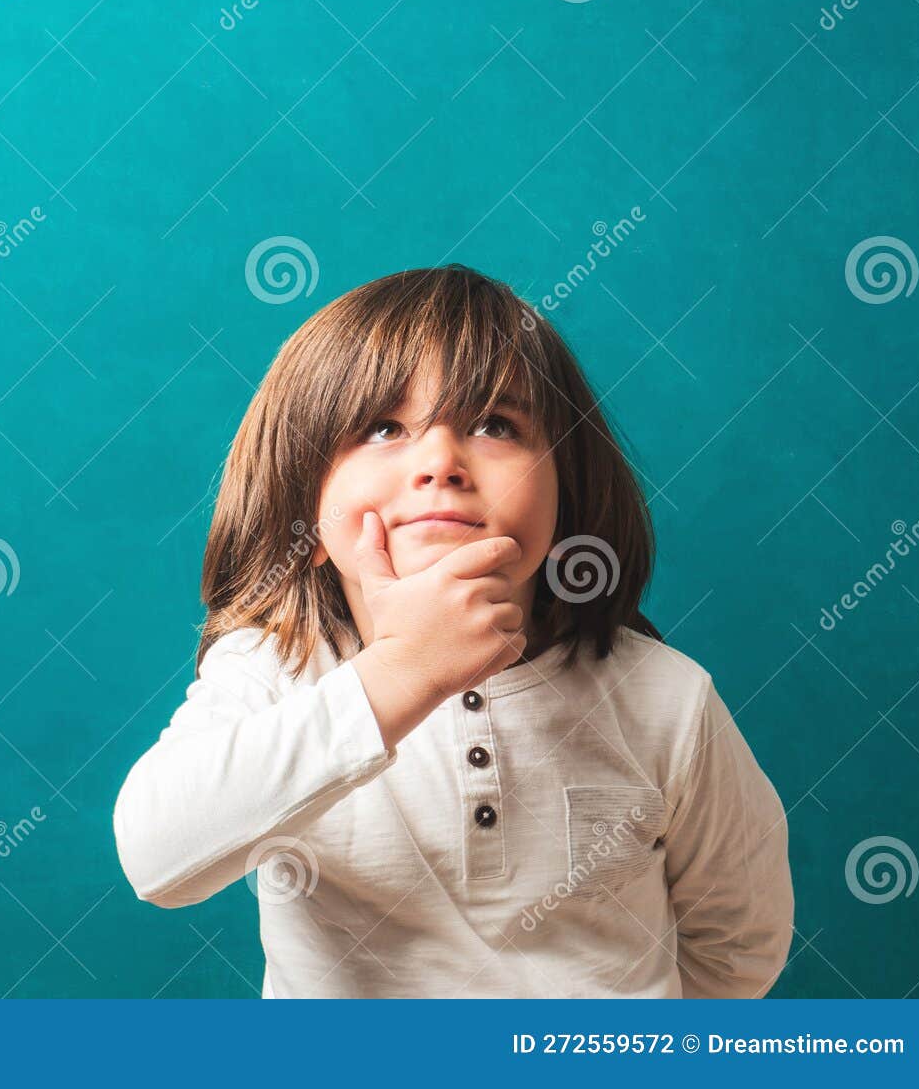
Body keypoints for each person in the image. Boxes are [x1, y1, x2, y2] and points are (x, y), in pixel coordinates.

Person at [111, 264, 793, 998]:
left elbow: (738, 949)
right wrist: (402, 672)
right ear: (302, 515)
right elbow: (159, 860)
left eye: (495, 425)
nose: (440, 461)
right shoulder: (275, 671)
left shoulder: (664, 697)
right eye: (382, 429)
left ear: (568, 492)